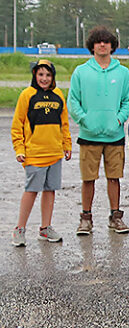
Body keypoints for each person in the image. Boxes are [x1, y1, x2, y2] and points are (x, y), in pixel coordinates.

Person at [68, 27, 129, 235]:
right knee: (88, 179)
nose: (102, 45)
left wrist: (119, 119)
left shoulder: (122, 72)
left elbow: (126, 101)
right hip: (89, 135)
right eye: (98, 42)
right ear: (92, 46)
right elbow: (73, 102)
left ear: (112, 45)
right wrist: (84, 120)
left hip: (115, 135)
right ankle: (86, 218)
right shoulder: (81, 71)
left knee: (114, 178)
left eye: (106, 41)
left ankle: (116, 217)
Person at [11, 60, 71, 246]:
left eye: (48, 75)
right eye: (40, 74)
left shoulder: (58, 95)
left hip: (54, 153)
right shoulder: (27, 95)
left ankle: (45, 229)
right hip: (34, 154)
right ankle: (19, 229)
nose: (44, 78)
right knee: (31, 191)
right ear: (35, 76)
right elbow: (17, 126)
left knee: (50, 190)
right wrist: (19, 149)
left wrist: (66, 144)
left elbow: (64, 123)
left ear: (53, 77)